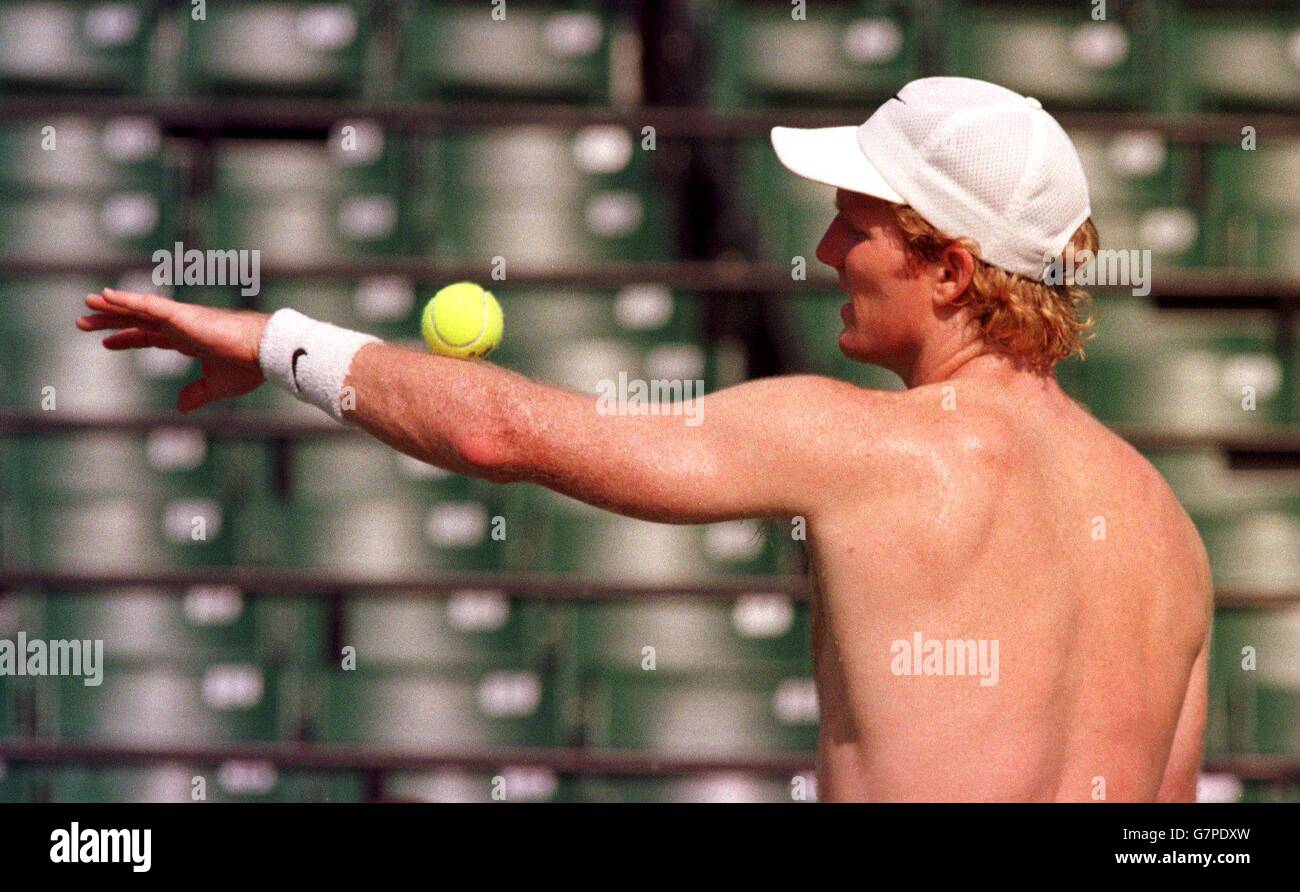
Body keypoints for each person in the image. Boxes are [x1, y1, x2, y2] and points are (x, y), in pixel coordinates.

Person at [76, 77, 1212, 801]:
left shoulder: (862, 441)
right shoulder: (1164, 530)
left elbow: (497, 432)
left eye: (857, 226)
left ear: (952, 269)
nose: (823, 251)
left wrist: (278, 339)